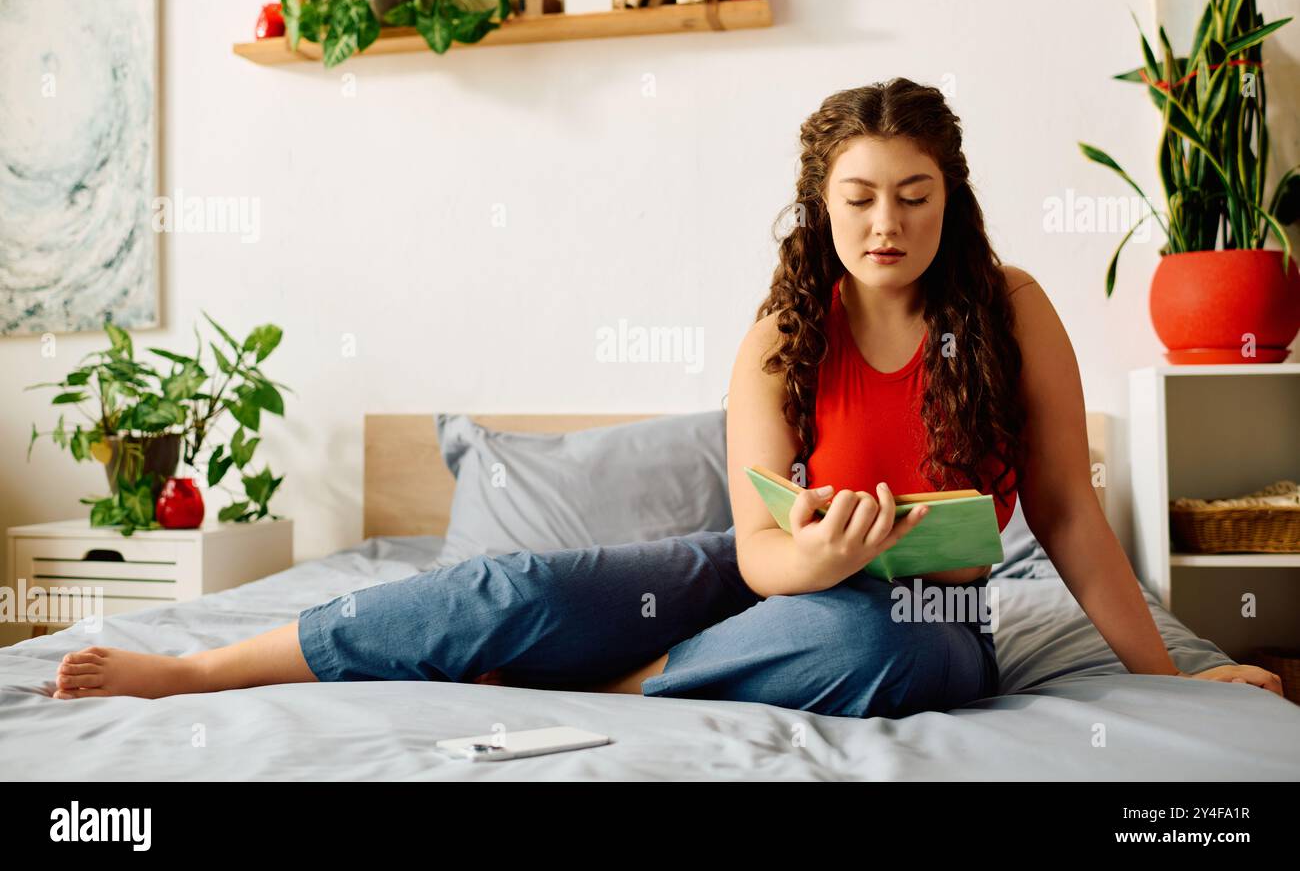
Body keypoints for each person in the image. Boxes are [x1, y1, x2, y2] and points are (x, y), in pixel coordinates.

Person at [50, 78, 1282, 714]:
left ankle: (631, 681)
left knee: (890, 646)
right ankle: (209, 672)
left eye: (913, 194)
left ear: (949, 197)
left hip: (929, 601)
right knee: (515, 587)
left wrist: (1164, 680)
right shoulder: (782, 336)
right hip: (771, 576)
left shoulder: (1012, 307)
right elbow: (755, 549)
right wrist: (813, 551)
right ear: (820, 204)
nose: (885, 221)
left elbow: (1063, 512)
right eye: (857, 196)